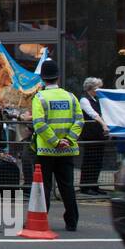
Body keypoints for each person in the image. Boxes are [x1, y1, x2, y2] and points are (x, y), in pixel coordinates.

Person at [30, 61, 83, 232]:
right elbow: (79, 121)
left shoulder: (40, 97)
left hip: (46, 151)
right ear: (58, 76)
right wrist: (67, 139)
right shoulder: (71, 97)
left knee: (43, 187)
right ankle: (72, 221)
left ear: (42, 78)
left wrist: (55, 141)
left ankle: (41, 220)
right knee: (67, 186)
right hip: (67, 151)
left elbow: (39, 124)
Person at [78, 77, 111, 196]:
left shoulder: (97, 99)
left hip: (99, 135)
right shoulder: (84, 100)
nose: (100, 89)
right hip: (90, 135)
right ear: (90, 88)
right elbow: (93, 114)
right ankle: (85, 186)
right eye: (98, 87)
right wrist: (103, 124)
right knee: (89, 161)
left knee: (98, 161)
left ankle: (94, 185)